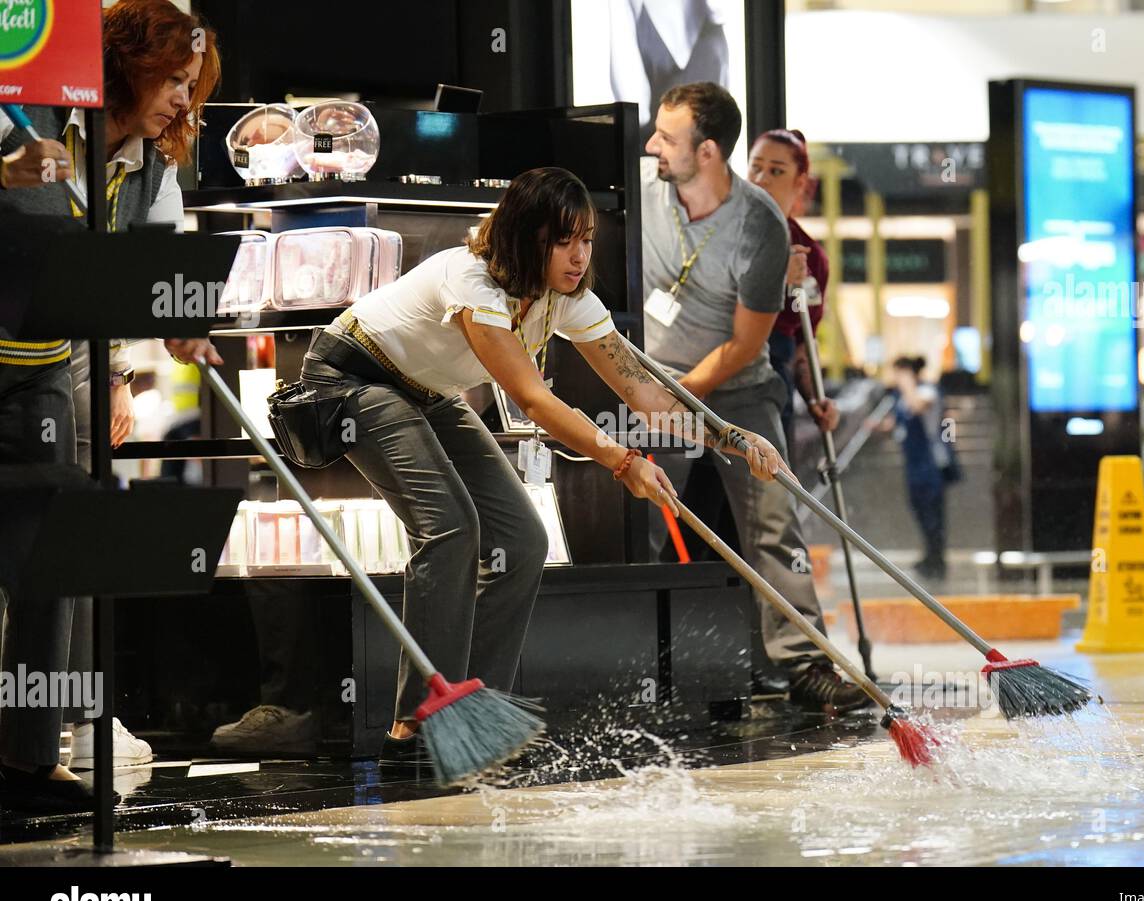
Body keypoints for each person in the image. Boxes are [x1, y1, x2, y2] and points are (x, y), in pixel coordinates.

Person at [275, 166, 786, 760]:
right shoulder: (472, 283)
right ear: (525, 237)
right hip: (352, 377)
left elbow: (644, 392)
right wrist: (623, 462)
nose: (579, 256)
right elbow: (533, 399)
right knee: (450, 529)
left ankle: (475, 714)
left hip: (426, 390)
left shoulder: (566, 298)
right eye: (562, 240)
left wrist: (733, 438)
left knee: (521, 540)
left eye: (587, 239)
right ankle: (417, 725)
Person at [0, 0, 223, 810]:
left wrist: (180, 326)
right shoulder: (29, 122)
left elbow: (157, 269)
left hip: (44, 370)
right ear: (127, 65)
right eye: (172, 80)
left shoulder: (148, 169)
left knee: (49, 558)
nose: (181, 102)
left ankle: (27, 758)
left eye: (190, 87)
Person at [642, 82, 871, 711]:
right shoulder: (641, 194)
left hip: (735, 393)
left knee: (775, 524)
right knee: (636, 519)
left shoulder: (760, 225)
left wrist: (680, 398)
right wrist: (646, 393)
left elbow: (748, 343)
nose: (651, 145)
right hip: (650, 382)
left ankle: (804, 664)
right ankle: (635, 660)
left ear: (708, 151)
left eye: (667, 136)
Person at [746, 128, 839, 450]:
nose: (761, 178)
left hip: (772, 384)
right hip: (716, 376)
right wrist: (774, 274)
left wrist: (815, 399)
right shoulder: (721, 232)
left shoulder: (810, 256)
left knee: (769, 492)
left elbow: (803, 345)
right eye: (755, 166)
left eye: (776, 171)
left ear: (799, 182)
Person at [881, 356, 949, 580]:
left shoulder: (926, 391)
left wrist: (908, 384)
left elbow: (918, 407)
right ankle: (929, 553)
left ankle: (936, 558)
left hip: (930, 462)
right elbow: (898, 423)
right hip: (913, 462)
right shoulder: (900, 397)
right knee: (918, 508)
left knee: (932, 513)